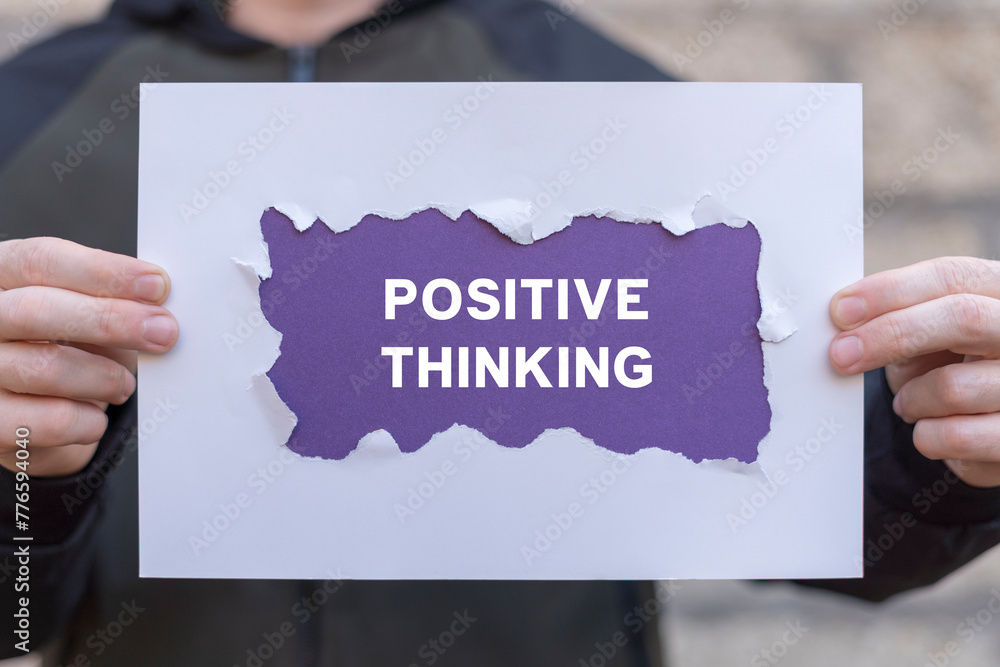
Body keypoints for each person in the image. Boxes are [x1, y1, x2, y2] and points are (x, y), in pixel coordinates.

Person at [2, 0, 999, 664]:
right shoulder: (27, 115)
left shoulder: (605, 95)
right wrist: (21, 473)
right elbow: (13, 610)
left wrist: (947, 445)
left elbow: (820, 523)